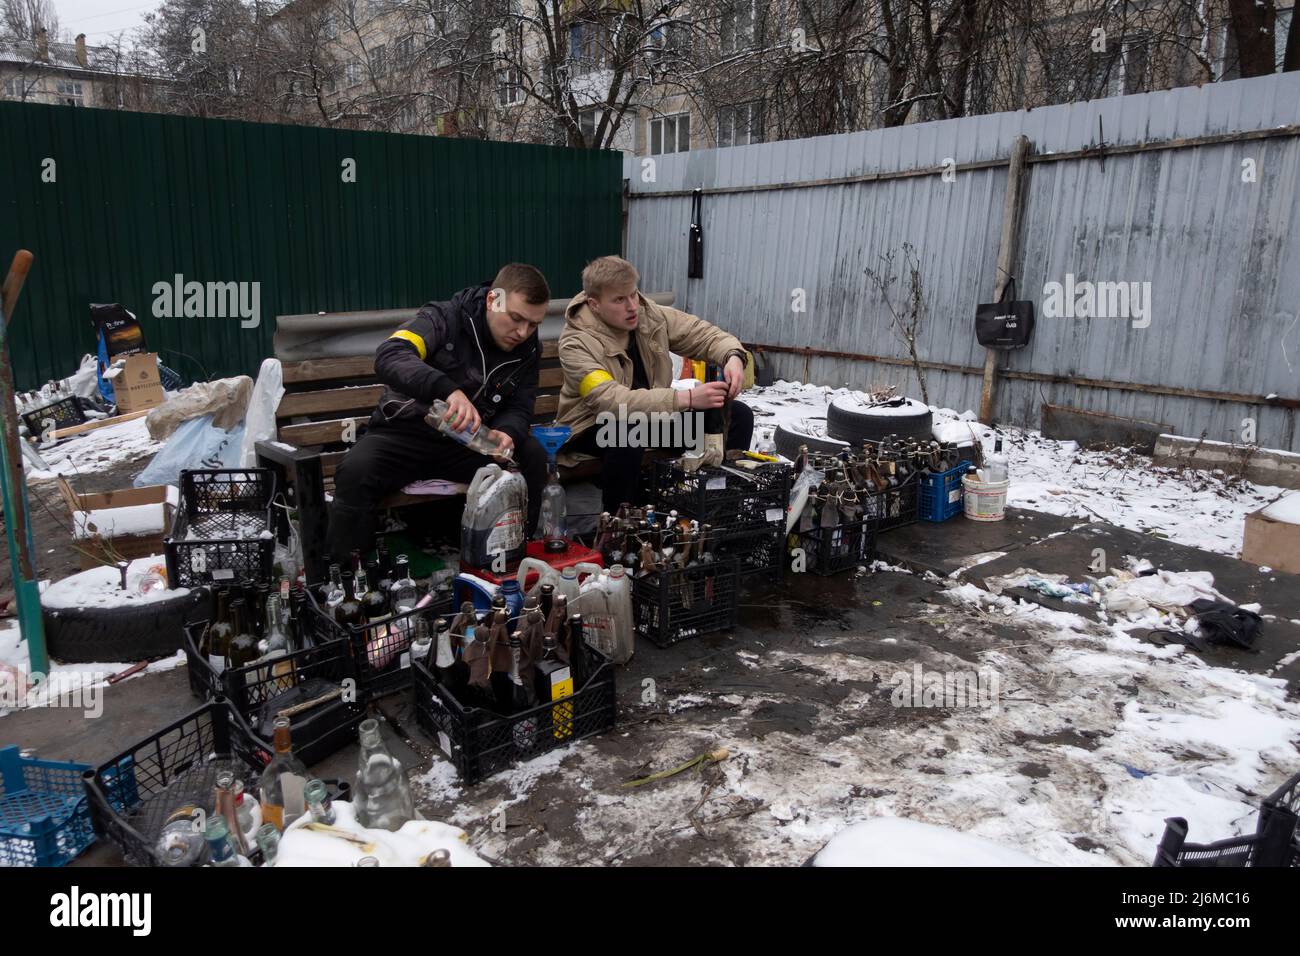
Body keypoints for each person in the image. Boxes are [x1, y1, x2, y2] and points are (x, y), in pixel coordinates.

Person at [327, 264, 551, 563]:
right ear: (492, 300)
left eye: (534, 325)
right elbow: (391, 354)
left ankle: (519, 558)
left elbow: (521, 405)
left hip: (465, 444)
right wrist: (446, 389)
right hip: (404, 433)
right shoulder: (442, 318)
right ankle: (347, 580)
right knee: (356, 471)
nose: (523, 332)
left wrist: (508, 432)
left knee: (531, 455)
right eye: (516, 318)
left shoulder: (528, 349)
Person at [555, 256, 753, 513]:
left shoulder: (650, 317)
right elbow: (612, 402)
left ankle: (720, 513)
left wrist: (733, 357)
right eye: (619, 299)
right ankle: (618, 528)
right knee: (626, 433)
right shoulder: (576, 344)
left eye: (634, 295)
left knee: (737, 416)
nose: (632, 306)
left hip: (649, 423)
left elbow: (703, 334)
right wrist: (688, 399)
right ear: (594, 304)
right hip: (590, 430)